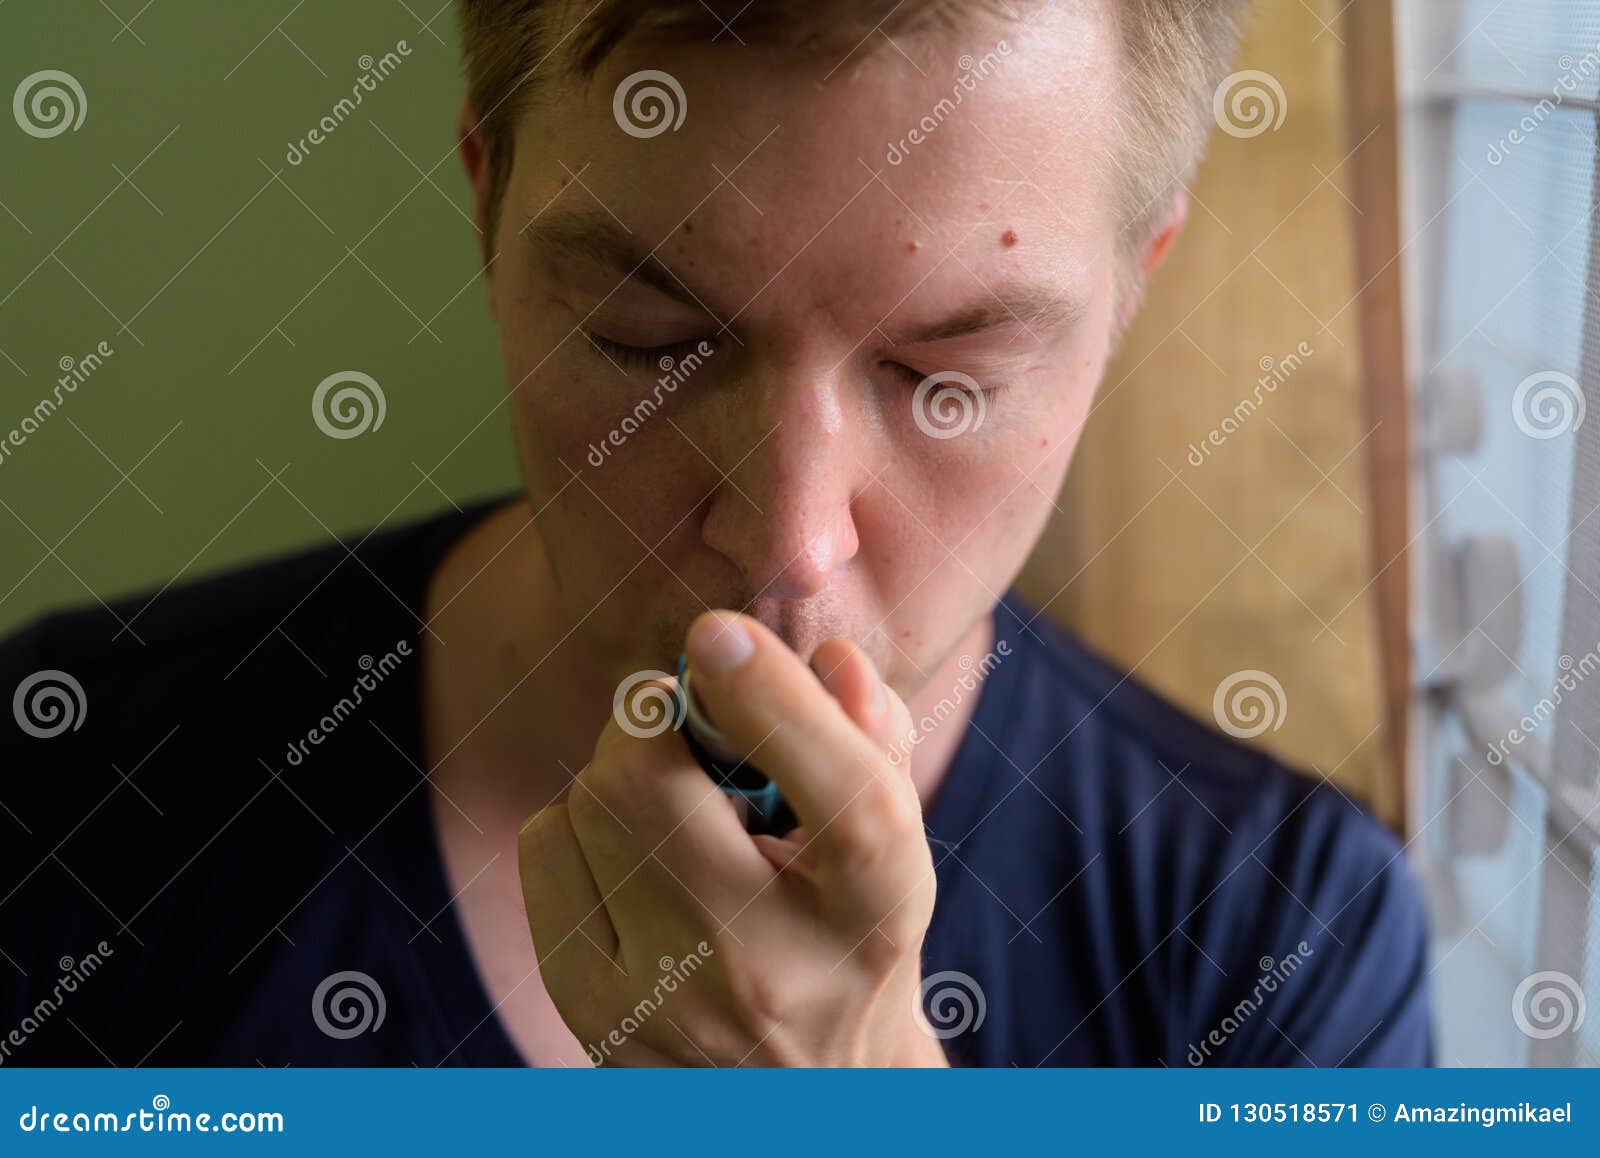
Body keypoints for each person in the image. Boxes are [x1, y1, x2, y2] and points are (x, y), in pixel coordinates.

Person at [0, 0, 1430, 1067]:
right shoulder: (67, 793)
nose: (789, 546)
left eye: (948, 382)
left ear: (1134, 289)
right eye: (652, 343)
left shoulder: (1281, 947)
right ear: (486, 204)